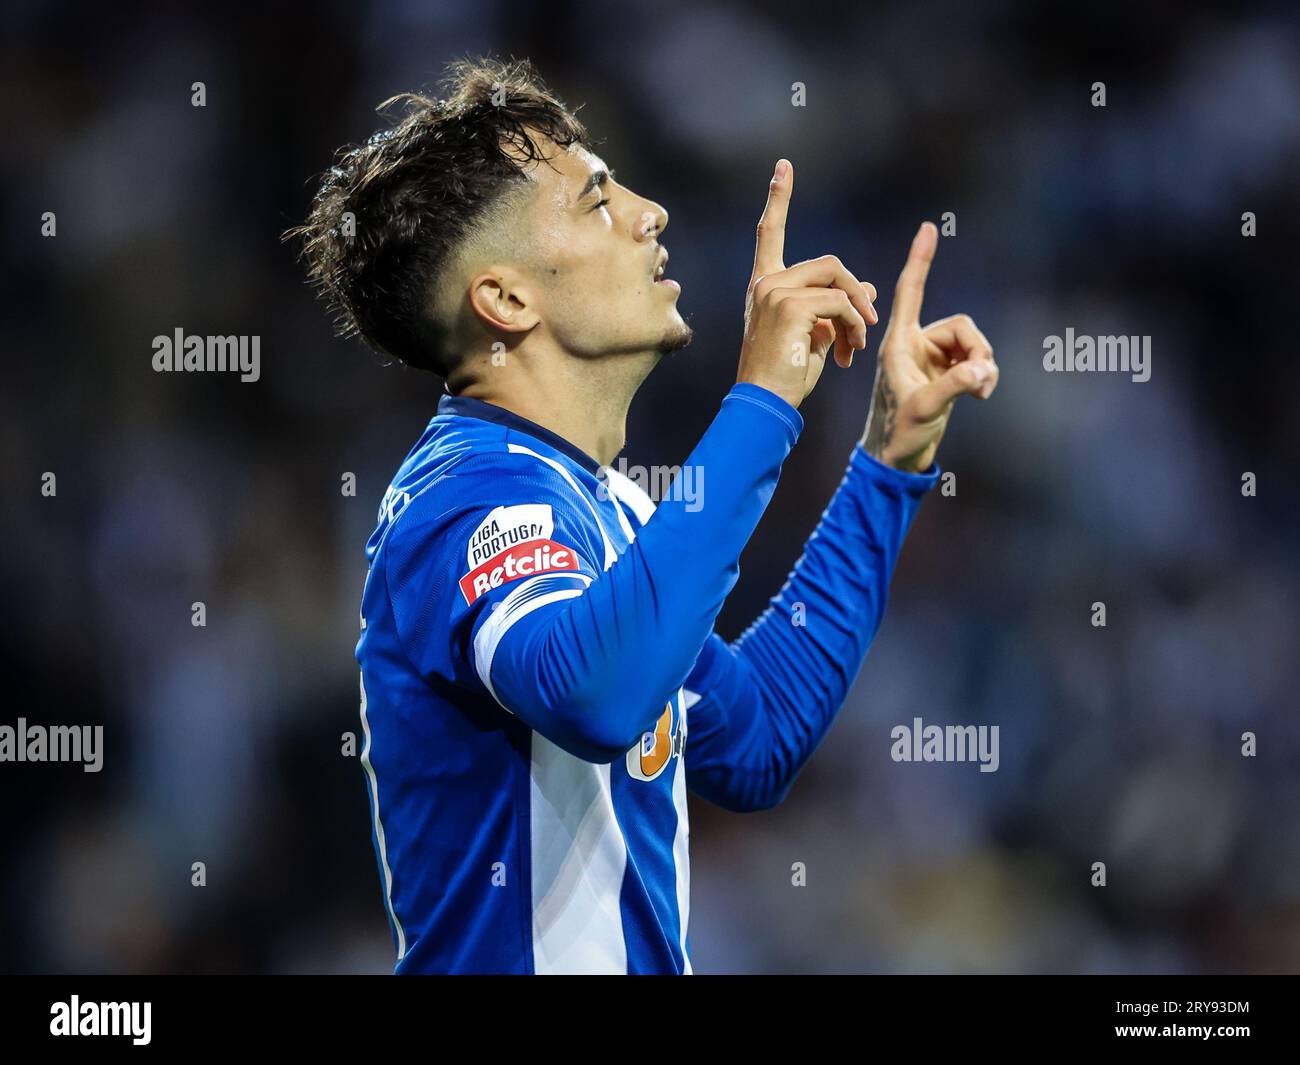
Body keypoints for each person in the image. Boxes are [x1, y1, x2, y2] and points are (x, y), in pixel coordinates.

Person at [290, 57, 998, 974]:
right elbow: (597, 694)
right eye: (595, 199)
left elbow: (757, 735)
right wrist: (762, 399)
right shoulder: (461, 495)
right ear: (505, 298)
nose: (647, 211)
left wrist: (889, 459)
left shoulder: (604, 503)